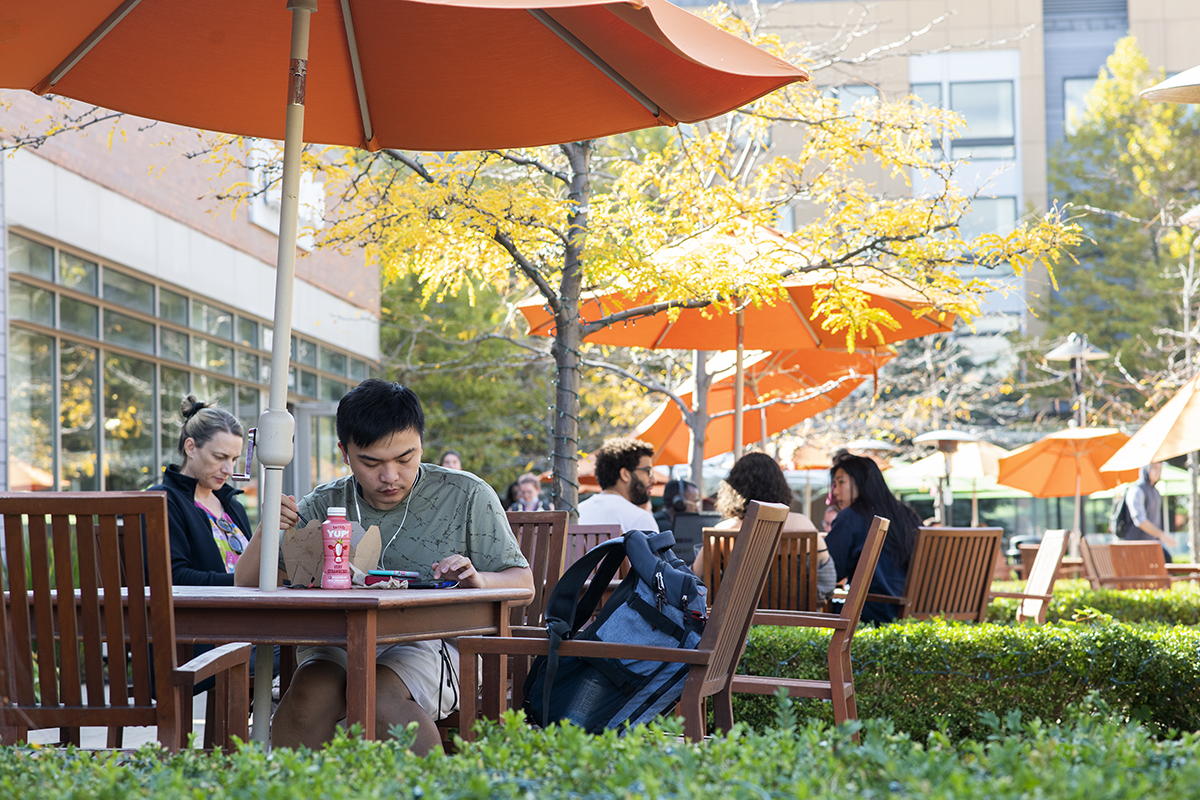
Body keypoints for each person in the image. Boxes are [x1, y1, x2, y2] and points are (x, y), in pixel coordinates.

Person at [234, 380, 533, 754]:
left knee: (378, 696)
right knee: (307, 698)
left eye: (405, 459)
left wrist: (478, 579)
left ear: (421, 444)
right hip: (342, 638)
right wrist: (266, 527)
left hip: (434, 641)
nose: (390, 476)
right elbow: (245, 584)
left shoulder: (467, 494)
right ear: (345, 452)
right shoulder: (325, 503)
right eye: (371, 462)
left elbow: (523, 583)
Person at [693, 452, 835, 600]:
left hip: (740, 622)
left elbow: (695, 580)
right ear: (780, 486)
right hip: (796, 620)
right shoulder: (804, 525)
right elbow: (828, 583)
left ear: (734, 490)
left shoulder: (722, 533)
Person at [150, 395, 253, 587]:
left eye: (233, 459)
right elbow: (173, 578)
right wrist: (245, 583)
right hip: (202, 615)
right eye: (220, 457)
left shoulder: (234, 507)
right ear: (190, 447)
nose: (228, 470)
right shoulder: (162, 500)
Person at [826, 455, 921, 624]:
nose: (835, 491)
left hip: (871, 613)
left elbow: (830, 572)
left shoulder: (851, 517)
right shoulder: (907, 515)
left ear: (860, 482)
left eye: (840, 482)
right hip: (911, 612)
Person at [575, 437, 660, 532]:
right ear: (625, 474)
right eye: (648, 471)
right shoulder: (640, 519)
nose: (653, 480)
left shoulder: (577, 514)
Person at [1124, 462, 1175, 561]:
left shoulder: (1156, 492)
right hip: (1136, 547)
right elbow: (1140, 520)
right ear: (1146, 469)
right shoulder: (1136, 490)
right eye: (1154, 468)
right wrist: (1162, 535)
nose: (1158, 472)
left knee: (1168, 564)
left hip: (1153, 545)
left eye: (1160, 469)